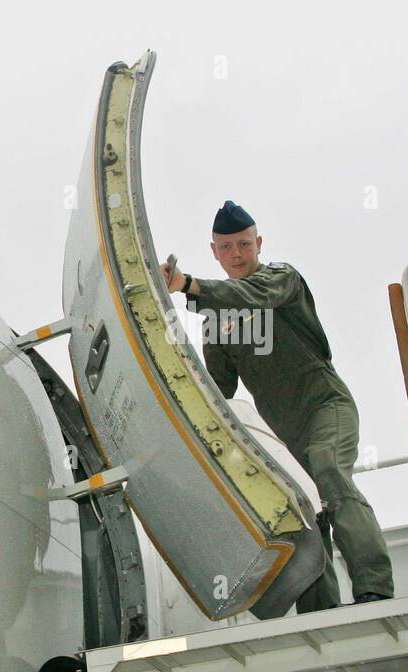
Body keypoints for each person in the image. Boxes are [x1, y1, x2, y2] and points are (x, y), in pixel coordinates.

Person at [161, 200, 393, 612]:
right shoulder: (216, 315)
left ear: (259, 244)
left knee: (328, 470)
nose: (237, 254)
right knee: (305, 510)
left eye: (244, 245)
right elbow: (219, 388)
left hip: (326, 407)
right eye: (227, 247)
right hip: (283, 433)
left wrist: (189, 284)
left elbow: (251, 294)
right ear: (215, 250)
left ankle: (374, 588)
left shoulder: (281, 279)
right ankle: (320, 614)